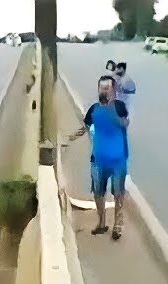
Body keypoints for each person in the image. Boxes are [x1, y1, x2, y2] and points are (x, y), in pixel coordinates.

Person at [66, 75, 130, 241]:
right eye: (101, 88)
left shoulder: (120, 107)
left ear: (113, 91)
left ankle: (117, 224)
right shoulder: (93, 109)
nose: (103, 91)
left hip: (118, 159)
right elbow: (85, 127)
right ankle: (101, 222)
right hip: (98, 159)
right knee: (98, 193)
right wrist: (70, 138)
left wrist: (112, 112)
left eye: (107, 88)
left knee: (118, 193)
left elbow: (125, 123)